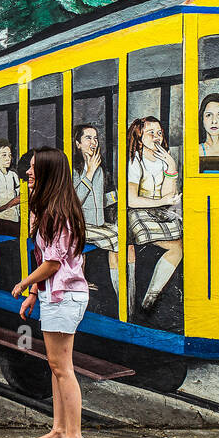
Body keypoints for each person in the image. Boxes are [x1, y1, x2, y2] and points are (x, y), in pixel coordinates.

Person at [11, 146, 88, 438]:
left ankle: (75, 436)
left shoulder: (57, 212)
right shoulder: (49, 208)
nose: (28, 172)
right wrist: (34, 294)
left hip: (65, 295)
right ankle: (59, 429)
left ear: (48, 173)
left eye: (34, 167)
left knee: (63, 367)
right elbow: (48, 258)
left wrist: (24, 283)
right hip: (55, 295)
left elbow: (53, 263)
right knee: (56, 366)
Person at [126, 117, 182, 312]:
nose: (157, 137)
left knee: (179, 247)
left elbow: (169, 195)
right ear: (139, 138)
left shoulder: (163, 160)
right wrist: (162, 201)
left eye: (159, 133)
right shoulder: (135, 161)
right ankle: (145, 303)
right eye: (151, 133)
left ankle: (150, 299)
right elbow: (132, 200)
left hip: (159, 212)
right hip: (138, 213)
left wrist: (171, 167)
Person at [72, 123, 133, 299]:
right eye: (88, 138)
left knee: (128, 239)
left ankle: (129, 292)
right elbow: (74, 202)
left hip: (96, 224)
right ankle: (122, 296)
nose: (94, 142)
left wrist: (121, 196)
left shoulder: (98, 168)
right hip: (77, 225)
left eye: (96, 138)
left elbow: (100, 200)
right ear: (78, 144)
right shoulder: (72, 169)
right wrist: (89, 173)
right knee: (117, 240)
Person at [0, 141, 22, 289]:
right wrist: (11, 204)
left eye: (9, 155)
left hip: (15, 222)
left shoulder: (13, 176)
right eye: (3, 155)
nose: (8, 159)